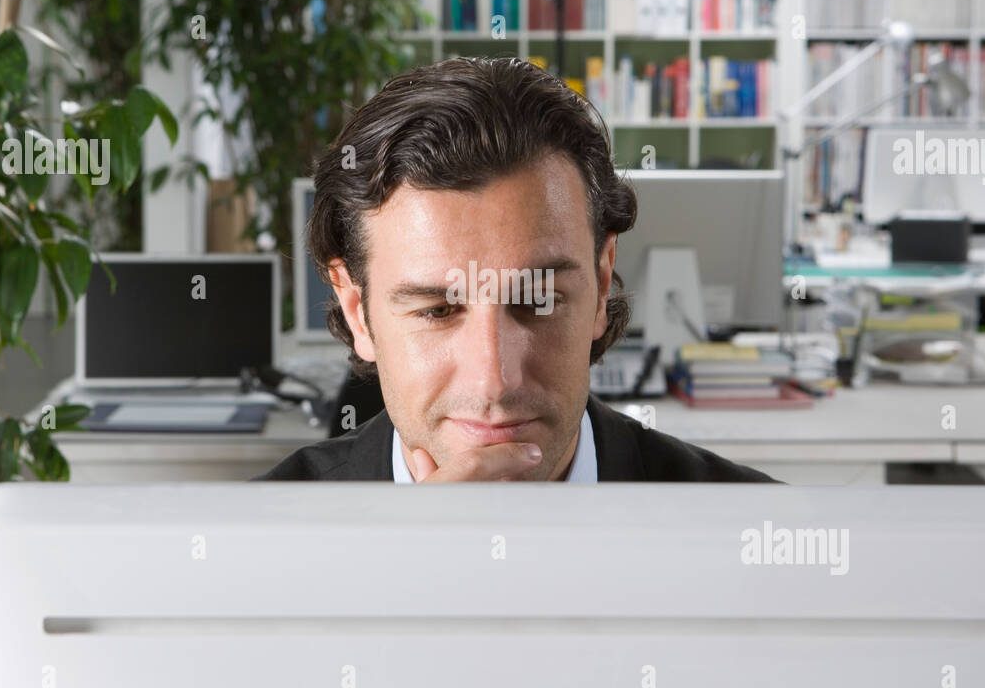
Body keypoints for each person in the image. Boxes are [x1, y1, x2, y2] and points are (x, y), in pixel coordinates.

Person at [255, 57, 778, 484]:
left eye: (538, 301)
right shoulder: (256, 551)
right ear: (358, 312)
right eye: (437, 310)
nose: (496, 383)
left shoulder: (753, 534)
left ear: (599, 286)